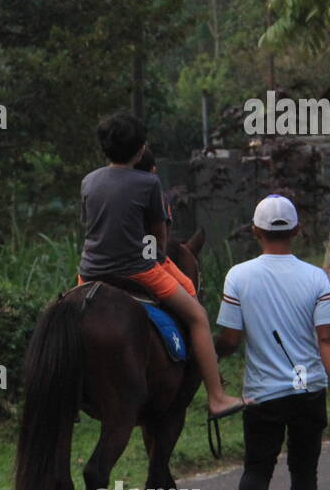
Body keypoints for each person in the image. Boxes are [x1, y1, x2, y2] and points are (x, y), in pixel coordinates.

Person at [214, 194, 330, 490]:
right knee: (304, 471)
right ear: (296, 230)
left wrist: (207, 364)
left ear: (255, 231)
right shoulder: (315, 278)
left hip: (262, 394)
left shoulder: (238, 276)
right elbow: (327, 340)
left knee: (257, 468)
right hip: (308, 391)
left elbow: (228, 339)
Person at [79, 112, 247, 420]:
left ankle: (69, 396)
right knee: (197, 315)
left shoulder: (89, 181)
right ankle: (217, 397)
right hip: (136, 269)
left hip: (88, 274)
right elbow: (158, 240)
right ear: (141, 149)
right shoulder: (148, 183)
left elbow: (92, 228)